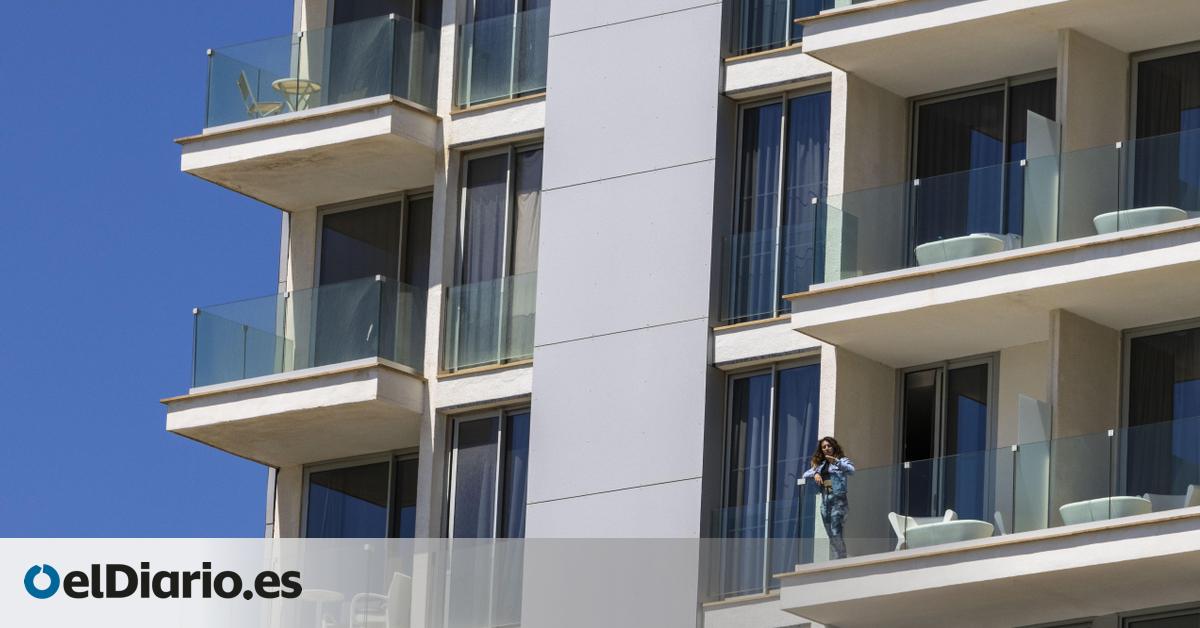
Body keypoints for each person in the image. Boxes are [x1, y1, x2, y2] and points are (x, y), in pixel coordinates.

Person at [801, 436, 854, 559]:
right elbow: (805, 474)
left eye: (828, 446)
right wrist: (815, 473)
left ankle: (840, 558)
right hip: (825, 500)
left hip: (838, 499)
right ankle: (838, 556)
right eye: (824, 447)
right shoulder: (820, 465)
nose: (826, 448)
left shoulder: (842, 460)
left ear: (834, 446)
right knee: (829, 532)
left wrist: (836, 462)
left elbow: (852, 470)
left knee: (836, 530)